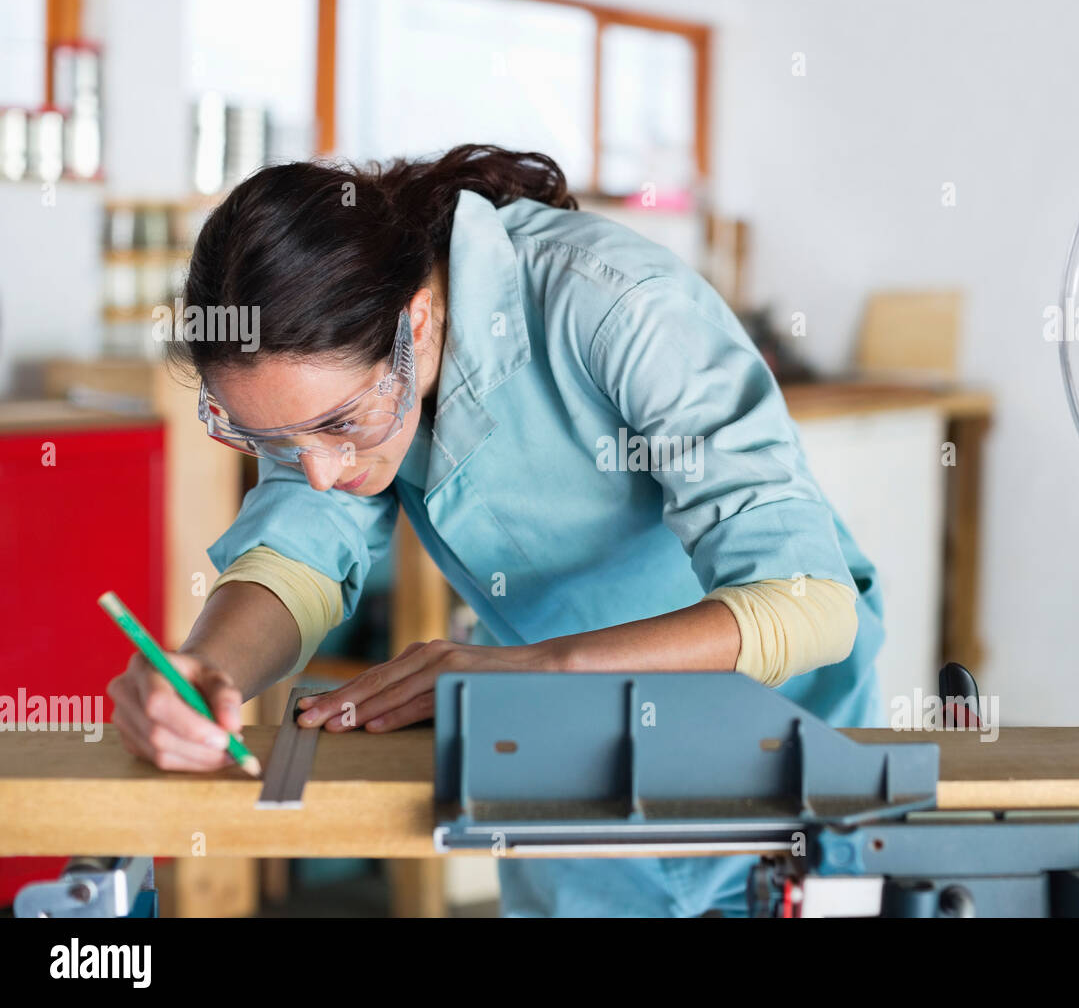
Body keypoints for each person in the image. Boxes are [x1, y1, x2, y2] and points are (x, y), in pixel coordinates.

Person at [107, 144, 886, 917]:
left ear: (416, 320)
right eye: (271, 441)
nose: (314, 468)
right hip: (572, 769)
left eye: (341, 423)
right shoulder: (323, 399)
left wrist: (541, 674)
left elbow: (807, 602)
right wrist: (207, 675)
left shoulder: (618, 303)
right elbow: (295, 554)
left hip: (775, 758)